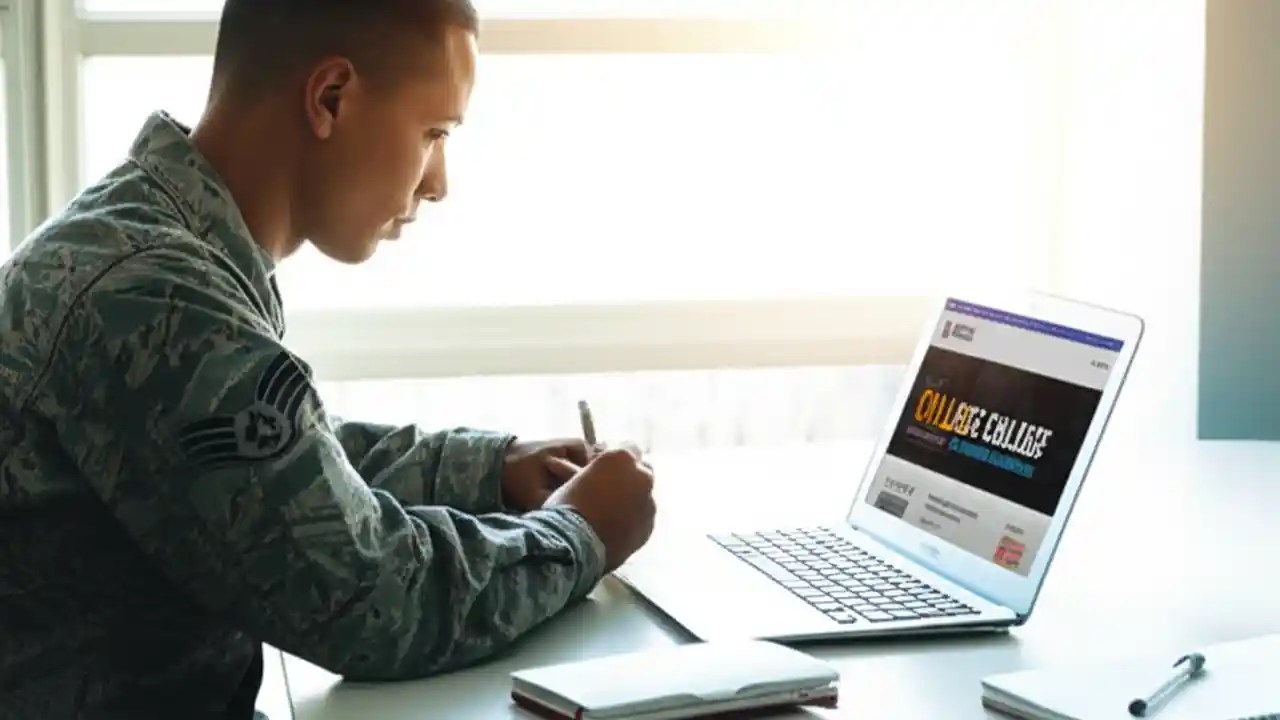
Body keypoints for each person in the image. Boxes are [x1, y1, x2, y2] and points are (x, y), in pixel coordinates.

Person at [0, 0, 658, 717]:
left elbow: (266, 460)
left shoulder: (154, 242)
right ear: (331, 98)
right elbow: (367, 600)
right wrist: (578, 534)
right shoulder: (154, 295)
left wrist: (488, 472)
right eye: (434, 132)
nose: (439, 182)